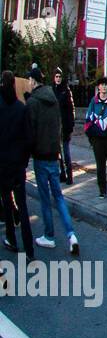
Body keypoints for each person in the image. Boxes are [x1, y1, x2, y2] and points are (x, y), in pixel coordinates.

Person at [26, 67, 78, 256]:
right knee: (59, 196)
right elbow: (58, 125)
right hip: (54, 155)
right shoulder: (53, 99)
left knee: (45, 198)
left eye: (29, 80)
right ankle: (71, 235)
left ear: (33, 81)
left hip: (40, 156)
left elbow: (30, 131)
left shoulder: (33, 103)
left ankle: (49, 236)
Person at [0, 72, 35, 259]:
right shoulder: (21, 108)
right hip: (18, 165)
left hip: (2, 165)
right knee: (22, 206)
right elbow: (29, 139)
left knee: (7, 202)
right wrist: (23, 160)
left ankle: (12, 240)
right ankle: (29, 250)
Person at [83, 76, 107, 199]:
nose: (104, 87)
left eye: (106, 85)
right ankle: (102, 190)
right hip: (97, 139)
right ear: (98, 87)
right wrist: (91, 135)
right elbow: (88, 119)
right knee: (100, 166)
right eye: (102, 85)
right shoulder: (93, 103)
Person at [52, 67, 75, 184]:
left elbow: (71, 109)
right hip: (55, 126)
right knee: (58, 152)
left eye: (60, 76)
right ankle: (62, 174)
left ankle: (69, 175)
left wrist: (71, 124)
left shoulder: (66, 91)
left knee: (66, 152)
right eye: (56, 76)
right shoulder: (52, 90)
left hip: (65, 126)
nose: (58, 78)